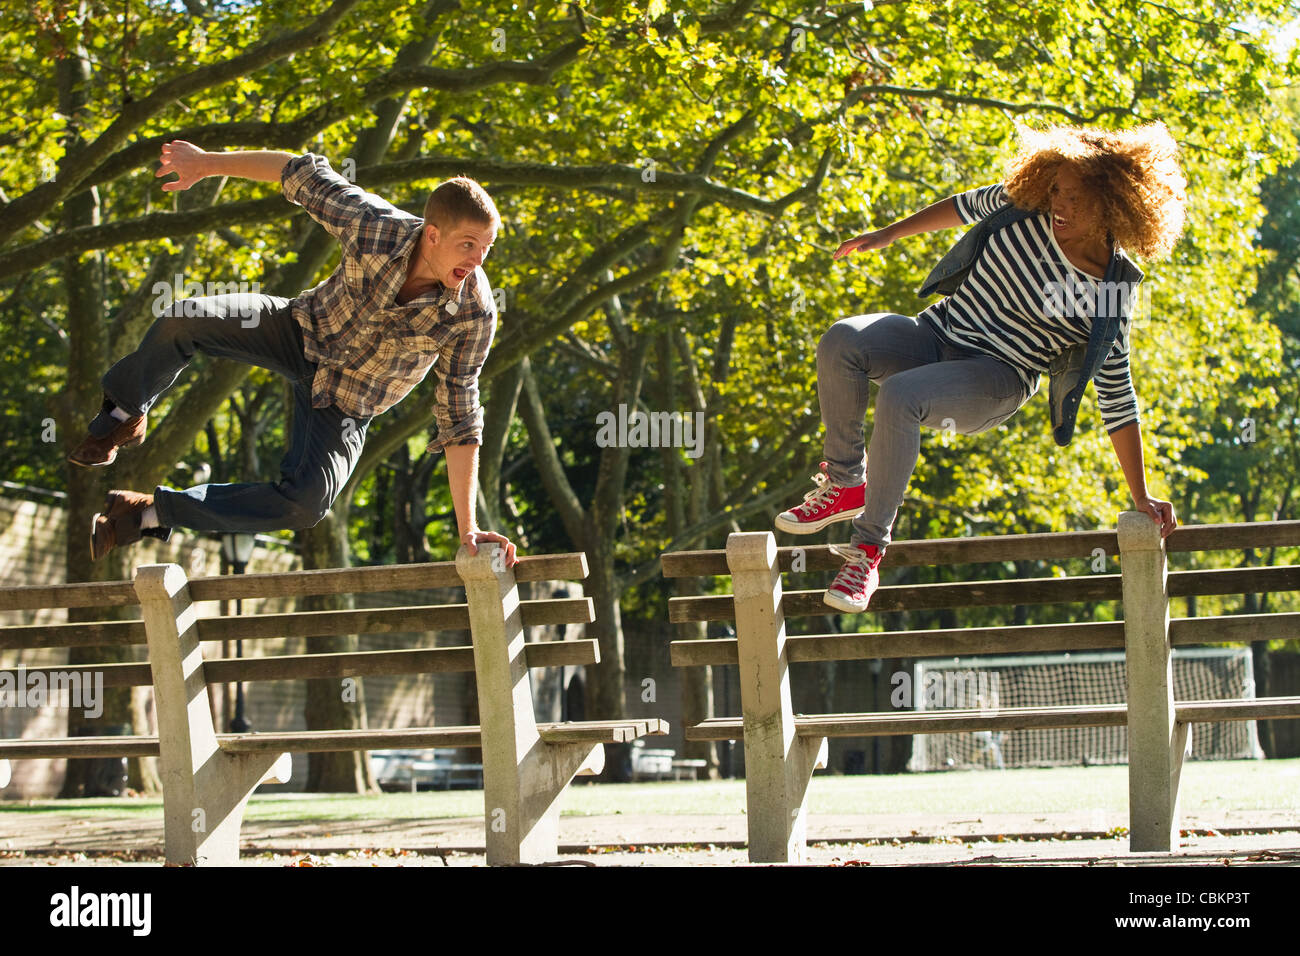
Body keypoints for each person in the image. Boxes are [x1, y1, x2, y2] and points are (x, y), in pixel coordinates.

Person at [775, 122, 1187, 613]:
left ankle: (866, 552)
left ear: (1114, 204)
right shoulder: (1024, 206)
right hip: (937, 335)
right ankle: (846, 483)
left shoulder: (1111, 290)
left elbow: (1117, 394)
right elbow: (960, 206)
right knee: (842, 341)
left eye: (1075, 198)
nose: (1060, 205)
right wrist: (888, 234)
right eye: (1056, 189)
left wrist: (1141, 494)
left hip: (996, 377)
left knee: (902, 396)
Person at [71, 141, 517, 568]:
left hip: (347, 404)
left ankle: (144, 515)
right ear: (433, 235)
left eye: (487, 248)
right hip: (298, 330)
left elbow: (459, 416)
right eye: (468, 245)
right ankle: (123, 413)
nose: (478, 260)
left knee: (305, 505)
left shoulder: (473, 313)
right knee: (185, 318)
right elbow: (298, 172)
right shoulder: (375, 226)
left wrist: (469, 528)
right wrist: (207, 163)